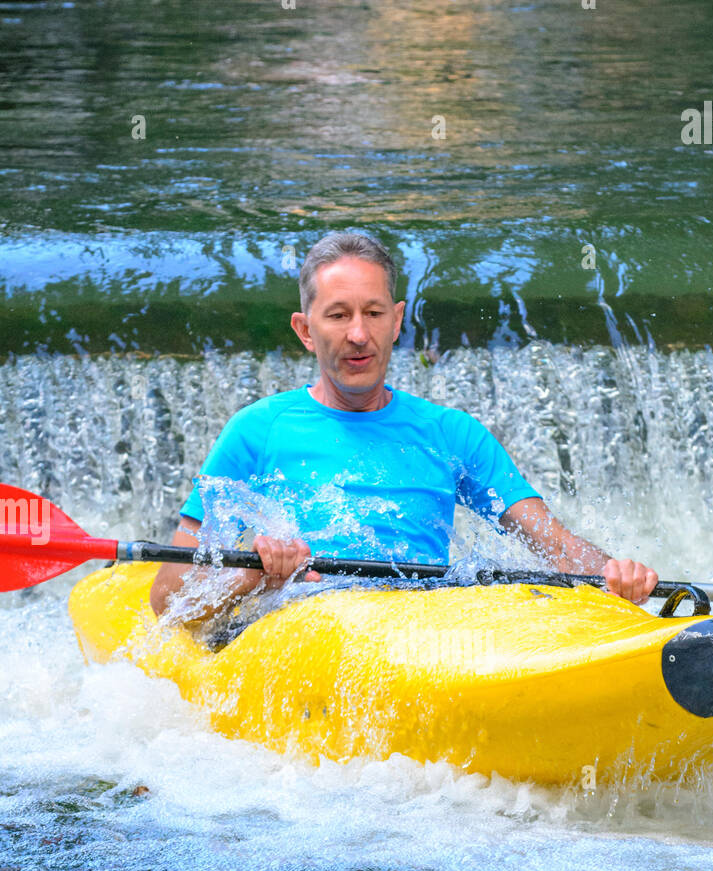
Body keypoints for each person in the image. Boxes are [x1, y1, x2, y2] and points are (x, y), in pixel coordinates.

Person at [149, 231, 658, 621]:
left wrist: (615, 576)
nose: (358, 334)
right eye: (337, 315)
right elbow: (166, 598)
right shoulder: (255, 431)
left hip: (422, 629)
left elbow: (556, 547)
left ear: (396, 321)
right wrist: (249, 572)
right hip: (303, 629)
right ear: (305, 330)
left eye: (373, 313)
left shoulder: (451, 433)